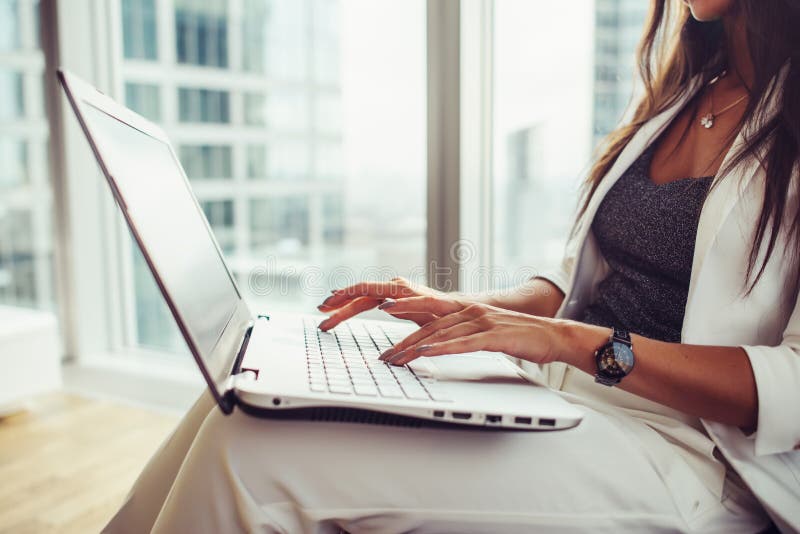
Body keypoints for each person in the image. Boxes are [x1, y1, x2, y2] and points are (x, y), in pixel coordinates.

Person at [104, 0, 800, 532]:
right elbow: (575, 286)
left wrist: (573, 343)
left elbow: (791, 388)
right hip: (556, 389)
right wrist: (463, 309)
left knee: (251, 457)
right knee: (246, 387)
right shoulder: (685, 95)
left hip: (684, 454)